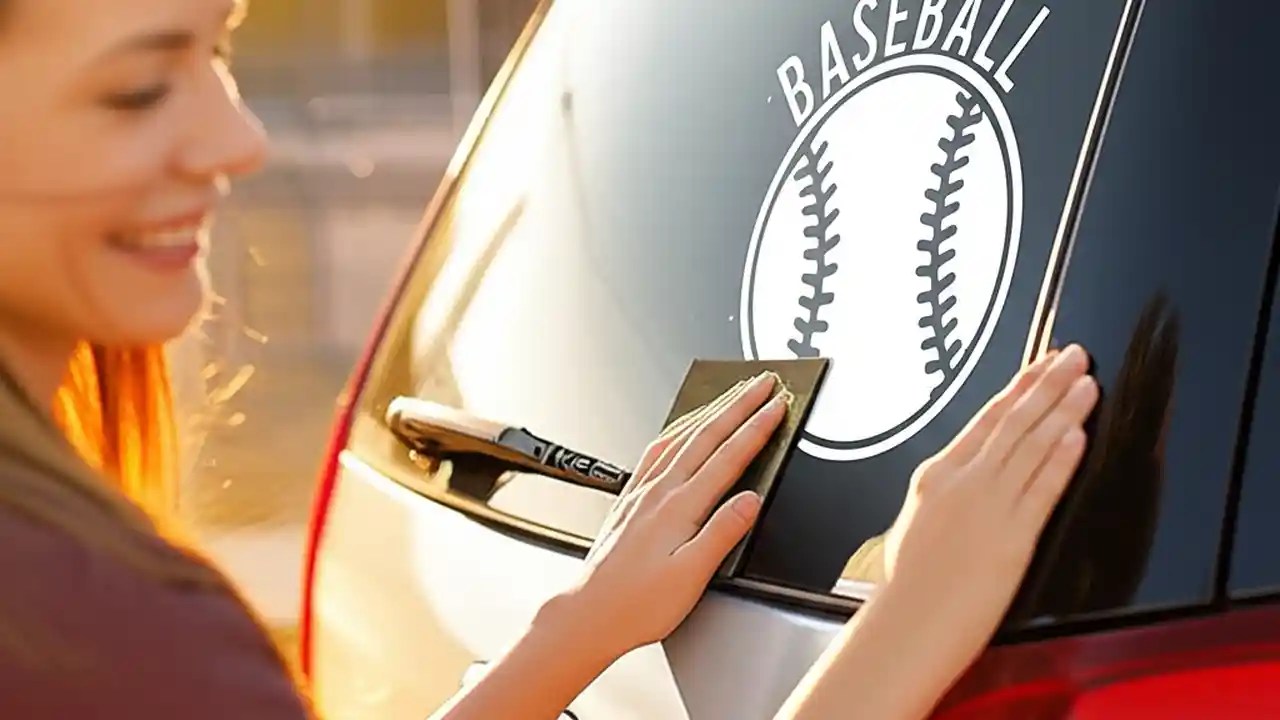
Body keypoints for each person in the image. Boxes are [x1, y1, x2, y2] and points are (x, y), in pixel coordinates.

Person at [0, 1, 1100, 718]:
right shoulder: (98, 636)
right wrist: (899, 633)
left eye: (219, 50)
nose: (238, 138)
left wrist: (577, 628)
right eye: (138, 88)